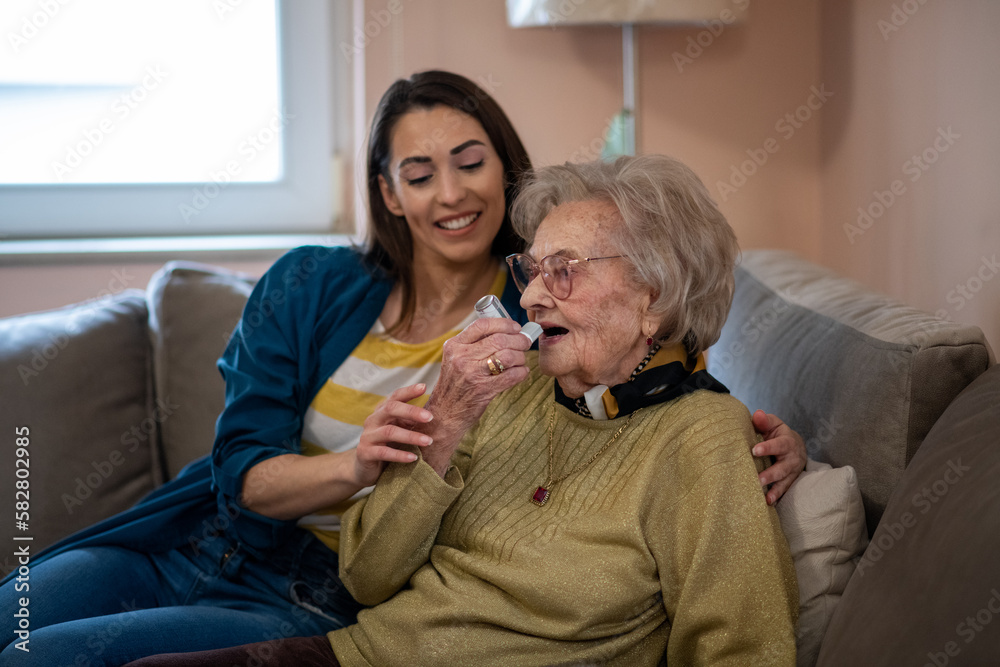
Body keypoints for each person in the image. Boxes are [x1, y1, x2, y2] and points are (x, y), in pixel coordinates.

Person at [0, 72, 803, 665]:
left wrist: (765, 442)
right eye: (418, 174)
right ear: (388, 193)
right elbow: (238, 470)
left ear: (504, 167)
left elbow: (661, 379)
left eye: (470, 161)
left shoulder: (531, 316)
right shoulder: (321, 287)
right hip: (211, 541)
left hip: (315, 594)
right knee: (18, 621)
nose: (449, 193)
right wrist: (373, 458)